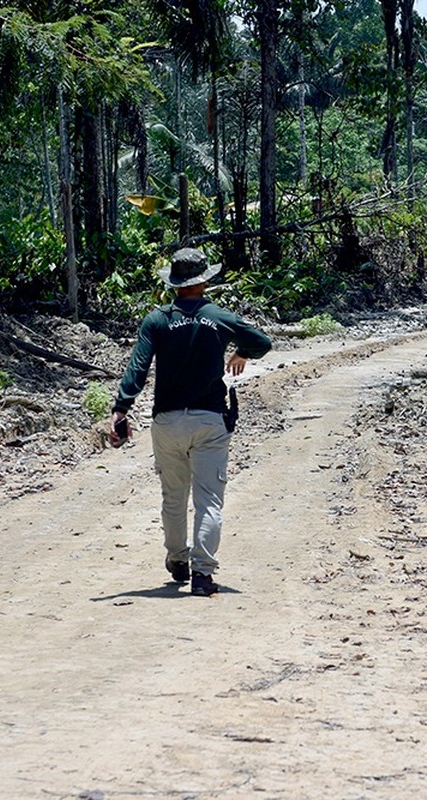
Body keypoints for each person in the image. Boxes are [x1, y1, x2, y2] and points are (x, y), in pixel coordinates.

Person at [110, 247, 273, 596]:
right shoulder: (217, 316)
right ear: (204, 281)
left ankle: (177, 560)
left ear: (174, 283)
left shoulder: (157, 320)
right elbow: (262, 341)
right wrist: (242, 352)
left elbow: (137, 368)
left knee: (173, 496)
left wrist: (121, 407)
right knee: (208, 499)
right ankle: (202, 574)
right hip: (209, 421)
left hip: (167, 422)